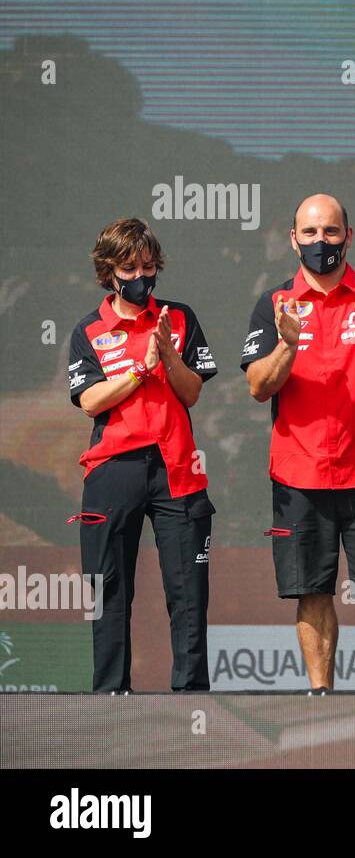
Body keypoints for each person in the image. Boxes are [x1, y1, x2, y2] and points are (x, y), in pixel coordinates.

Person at [241, 194, 355, 692]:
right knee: (311, 593)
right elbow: (258, 386)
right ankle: (321, 698)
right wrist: (286, 344)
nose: (323, 243)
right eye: (312, 233)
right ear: (293, 239)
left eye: (332, 232)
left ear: (349, 236)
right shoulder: (274, 303)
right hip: (299, 472)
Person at [67, 217, 218, 693]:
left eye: (149, 267)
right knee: (108, 589)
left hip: (176, 466)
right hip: (113, 469)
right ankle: (111, 694)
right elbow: (89, 400)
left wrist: (169, 356)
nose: (141, 277)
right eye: (129, 268)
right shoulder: (89, 329)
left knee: (187, 591)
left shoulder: (179, 316)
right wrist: (139, 369)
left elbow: (191, 393)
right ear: (108, 271)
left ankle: (192, 697)